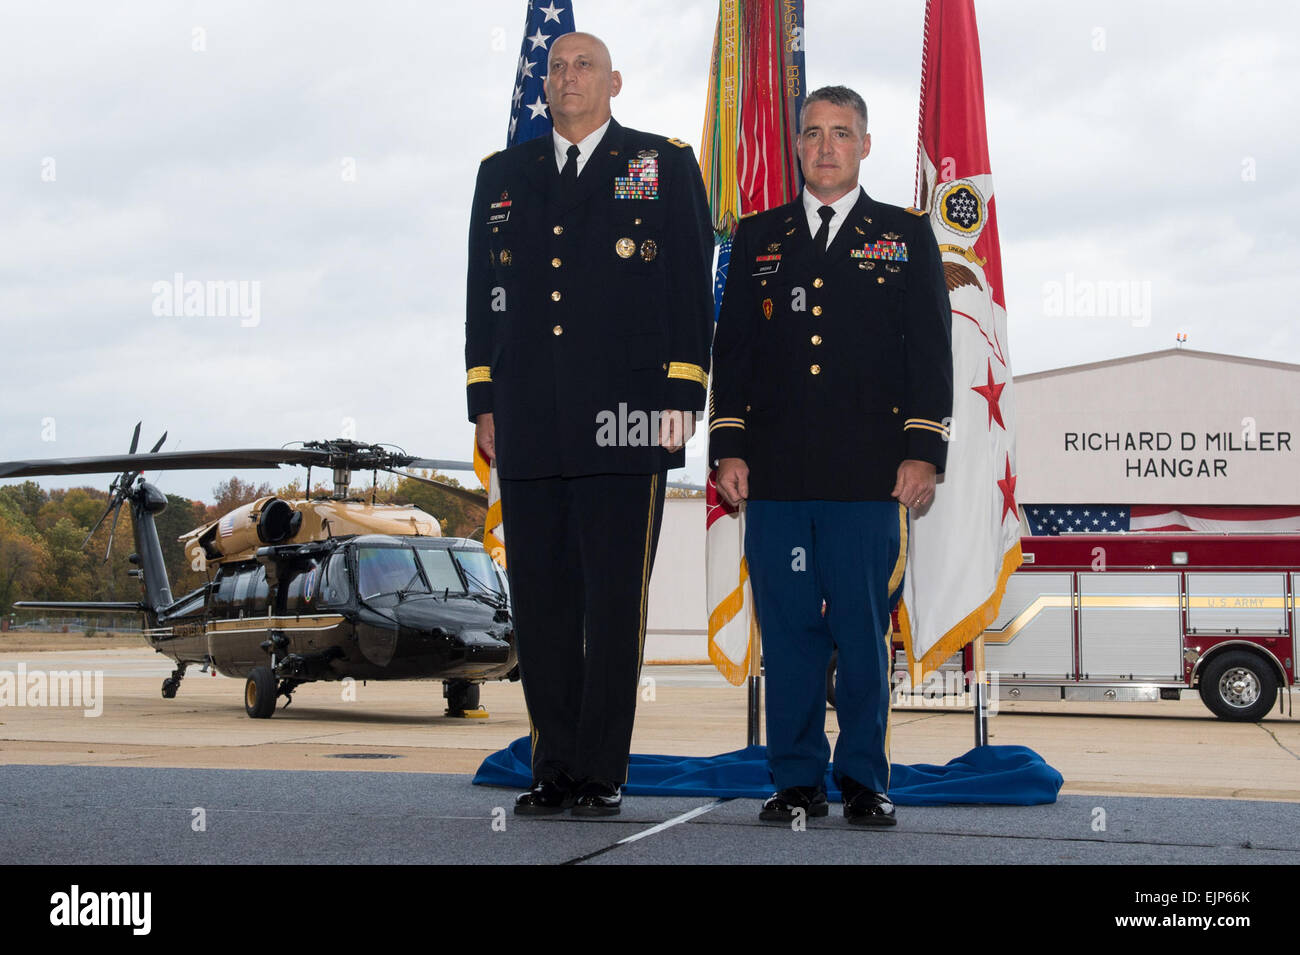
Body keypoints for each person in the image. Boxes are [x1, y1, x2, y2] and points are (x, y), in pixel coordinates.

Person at [464, 32, 714, 817]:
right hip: (531, 417)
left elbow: (688, 283)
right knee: (540, 603)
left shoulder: (663, 164)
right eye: (558, 66)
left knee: (613, 606)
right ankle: (553, 765)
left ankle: (601, 770)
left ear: (614, 81)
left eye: (584, 66)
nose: (569, 77)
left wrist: (683, 392)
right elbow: (481, 296)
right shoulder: (502, 175)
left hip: (633, 418)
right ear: (544, 85)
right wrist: (483, 400)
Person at [709, 85, 953, 826]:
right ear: (797, 144)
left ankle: (864, 779)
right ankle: (794, 781)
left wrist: (923, 453)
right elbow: (735, 354)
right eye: (812, 132)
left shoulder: (904, 234)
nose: (824, 146)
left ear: (864, 145)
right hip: (777, 479)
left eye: (840, 133)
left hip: (867, 476)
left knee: (860, 632)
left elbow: (930, 354)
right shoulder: (758, 235)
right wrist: (728, 446)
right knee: (788, 635)